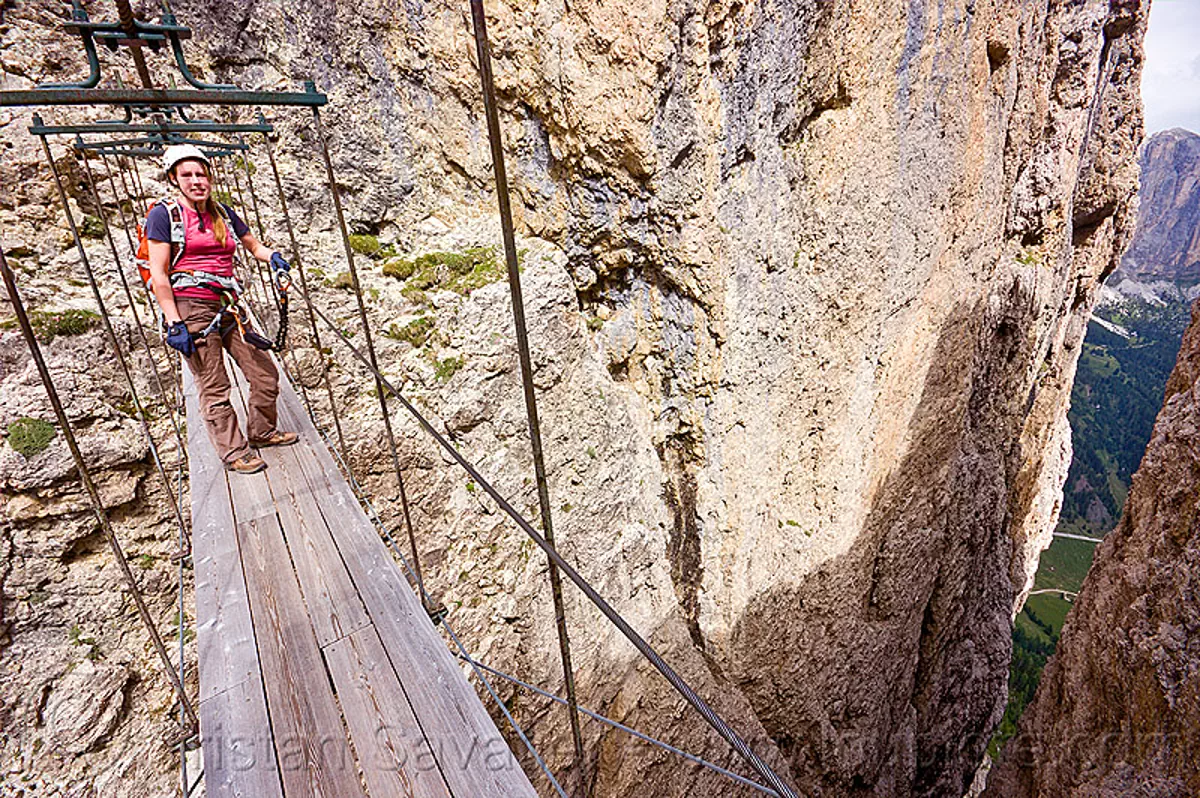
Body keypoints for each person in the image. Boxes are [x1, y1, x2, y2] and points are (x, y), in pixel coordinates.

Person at [147, 143, 298, 474]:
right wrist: (174, 322)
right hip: (191, 306)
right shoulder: (164, 215)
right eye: (187, 175)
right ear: (174, 178)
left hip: (228, 304)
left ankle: (261, 432)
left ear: (210, 178)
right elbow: (158, 273)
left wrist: (272, 256)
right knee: (214, 385)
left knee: (264, 373)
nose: (196, 181)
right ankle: (233, 452)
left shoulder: (223, 214)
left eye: (201, 174)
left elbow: (253, 246)